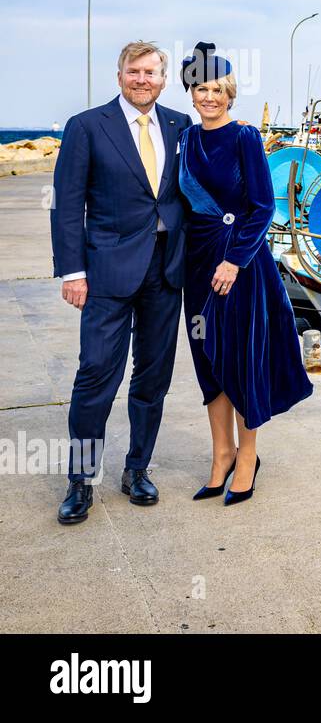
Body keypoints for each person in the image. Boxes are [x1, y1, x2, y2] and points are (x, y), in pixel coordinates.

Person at [51, 41, 193, 524]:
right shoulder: (87, 126)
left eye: (151, 72)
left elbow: (188, 196)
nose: (142, 79)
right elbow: (67, 205)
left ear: (163, 78)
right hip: (107, 273)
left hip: (165, 271)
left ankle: (137, 468)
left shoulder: (179, 125)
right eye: (134, 71)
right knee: (95, 375)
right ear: (119, 76)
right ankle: (80, 480)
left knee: (153, 376)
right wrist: (73, 272)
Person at [178, 42, 312, 505]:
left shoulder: (245, 137)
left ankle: (248, 458)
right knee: (206, 360)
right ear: (190, 93)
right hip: (198, 263)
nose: (208, 96)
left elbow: (263, 207)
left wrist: (234, 260)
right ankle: (221, 455)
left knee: (238, 358)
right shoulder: (187, 140)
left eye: (217, 88)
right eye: (200, 87)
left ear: (230, 94)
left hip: (239, 265)